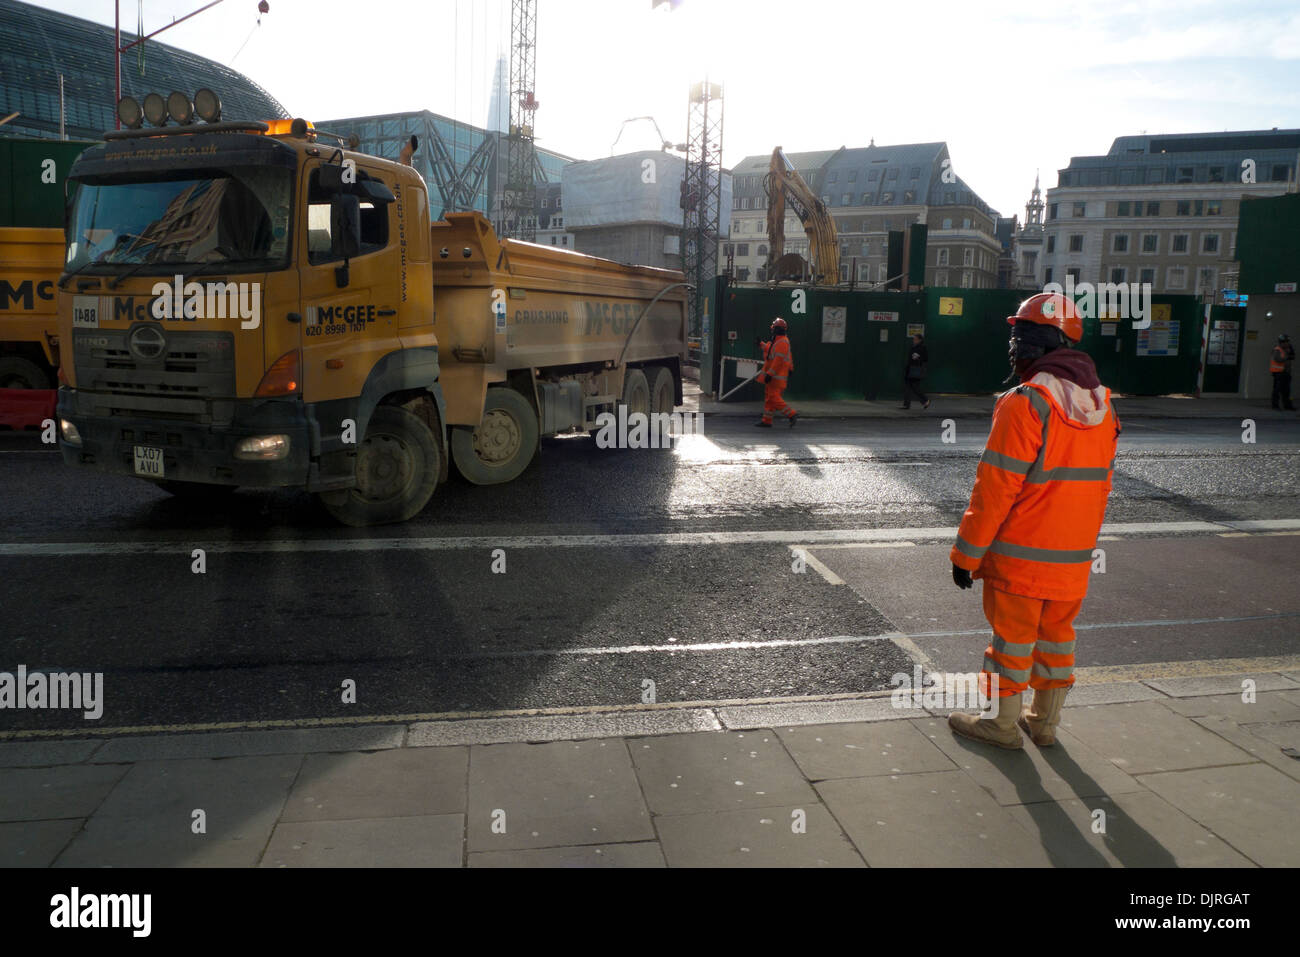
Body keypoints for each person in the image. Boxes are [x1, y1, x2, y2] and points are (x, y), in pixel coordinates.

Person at [947, 292, 1121, 749]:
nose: (1015, 344)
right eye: (1016, 334)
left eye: (1025, 335)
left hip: (1020, 557)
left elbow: (996, 488)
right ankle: (1044, 724)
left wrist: (966, 554)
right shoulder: (1102, 404)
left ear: (1053, 342)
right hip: (1073, 556)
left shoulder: (1026, 400)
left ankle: (1000, 725)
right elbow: (1101, 486)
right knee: (1057, 639)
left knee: (1012, 642)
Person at [755, 317, 798, 428]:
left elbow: (778, 361)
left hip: (776, 377)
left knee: (774, 398)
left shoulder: (782, 342)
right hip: (775, 377)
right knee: (769, 398)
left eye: (773, 328)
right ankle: (767, 421)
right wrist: (761, 344)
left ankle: (792, 414)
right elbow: (770, 350)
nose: (772, 330)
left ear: (777, 329)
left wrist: (770, 374)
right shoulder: (778, 340)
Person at [902, 333, 931, 409]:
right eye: (913, 339)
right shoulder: (913, 347)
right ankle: (906, 404)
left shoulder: (922, 347)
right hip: (910, 368)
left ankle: (925, 400)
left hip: (916, 369)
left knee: (914, 387)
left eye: (915, 339)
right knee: (908, 387)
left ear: (920, 340)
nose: (914, 340)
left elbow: (925, 359)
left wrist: (918, 357)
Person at [1270, 333, 1295, 411]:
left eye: (1288, 342)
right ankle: (1275, 405)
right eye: (1286, 342)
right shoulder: (1277, 349)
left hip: (1286, 372)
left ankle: (1287, 405)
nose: (1287, 343)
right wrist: (1287, 355)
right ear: (1282, 342)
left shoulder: (1287, 349)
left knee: (1286, 390)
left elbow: (1293, 357)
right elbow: (1278, 359)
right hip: (1278, 373)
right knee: (1277, 390)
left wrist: (1290, 352)